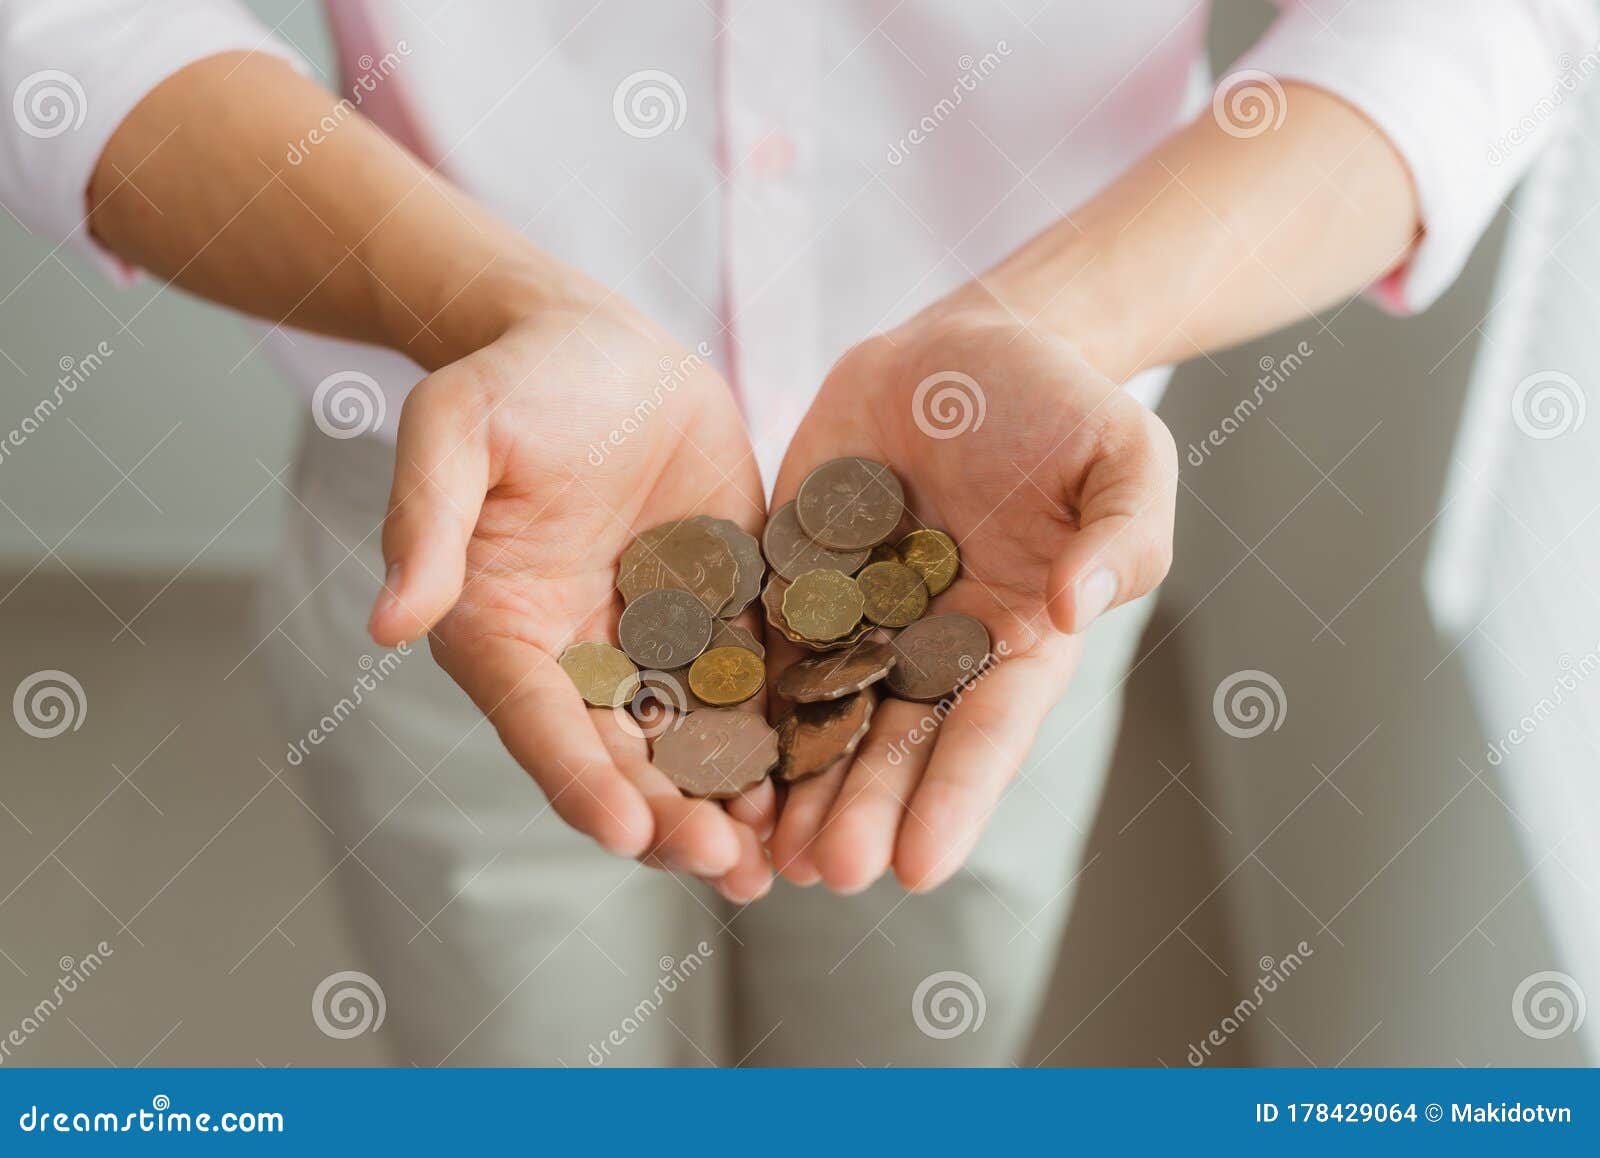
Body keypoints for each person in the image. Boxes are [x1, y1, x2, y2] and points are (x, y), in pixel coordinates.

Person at [1, 1, 1590, 1065]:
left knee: (906, 1084)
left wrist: (1051, 319)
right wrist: (490, 304)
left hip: (1002, 544)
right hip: (478, 507)